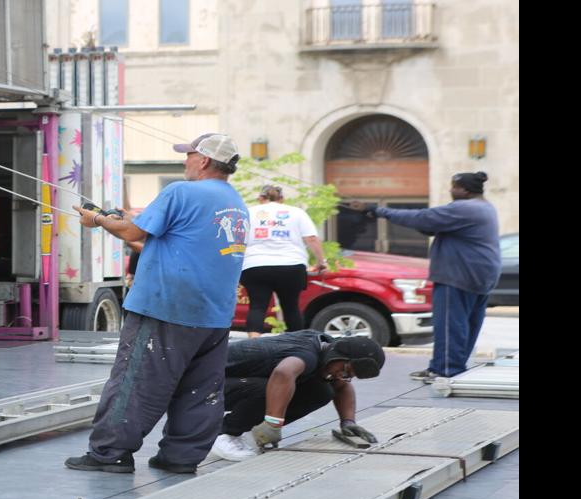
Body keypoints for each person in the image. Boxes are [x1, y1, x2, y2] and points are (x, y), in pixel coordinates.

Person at [64, 133, 250, 475]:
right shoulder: (235, 202)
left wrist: (99, 220)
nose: (185, 161)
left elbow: (132, 234)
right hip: (213, 315)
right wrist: (117, 223)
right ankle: (181, 457)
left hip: (167, 306)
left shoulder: (182, 191)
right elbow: (159, 242)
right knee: (200, 389)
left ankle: (110, 454)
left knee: (136, 381)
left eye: (189, 155)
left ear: (204, 160)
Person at [347, 170, 500, 382]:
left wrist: (376, 210)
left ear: (464, 190)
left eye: (453, 187)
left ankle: (446, 369)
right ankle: (449, 366)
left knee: (450, 325)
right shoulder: (484, 207)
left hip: (458, 275)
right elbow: (429, 225)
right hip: (480, 274)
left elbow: (422, 218)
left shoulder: (464, 208)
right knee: (466, 325)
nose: (450, 190)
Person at [211, 330, 384, 462]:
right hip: (204, 385)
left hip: (233, 384)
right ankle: (223, 435)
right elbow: (282, 373)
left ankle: (251, 433)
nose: (342, 376)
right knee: (273, 388)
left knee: (321, 391)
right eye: (345, 371)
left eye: (348, 375)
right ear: (339, 355)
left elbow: (341, 387)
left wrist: (348, 422)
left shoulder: (328, 351)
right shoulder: (306, 354)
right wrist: (273, 424)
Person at [239, 184, 325, 337]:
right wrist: (321, 262)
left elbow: (237, 240)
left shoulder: (248, 212)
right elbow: (311, 238)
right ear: (282, 199)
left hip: (255, 265)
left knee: (257, 307)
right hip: (291, 266)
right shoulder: (297, 212)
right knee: (291, 307)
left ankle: (253, 345)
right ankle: (297, 344)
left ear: (260, 198)